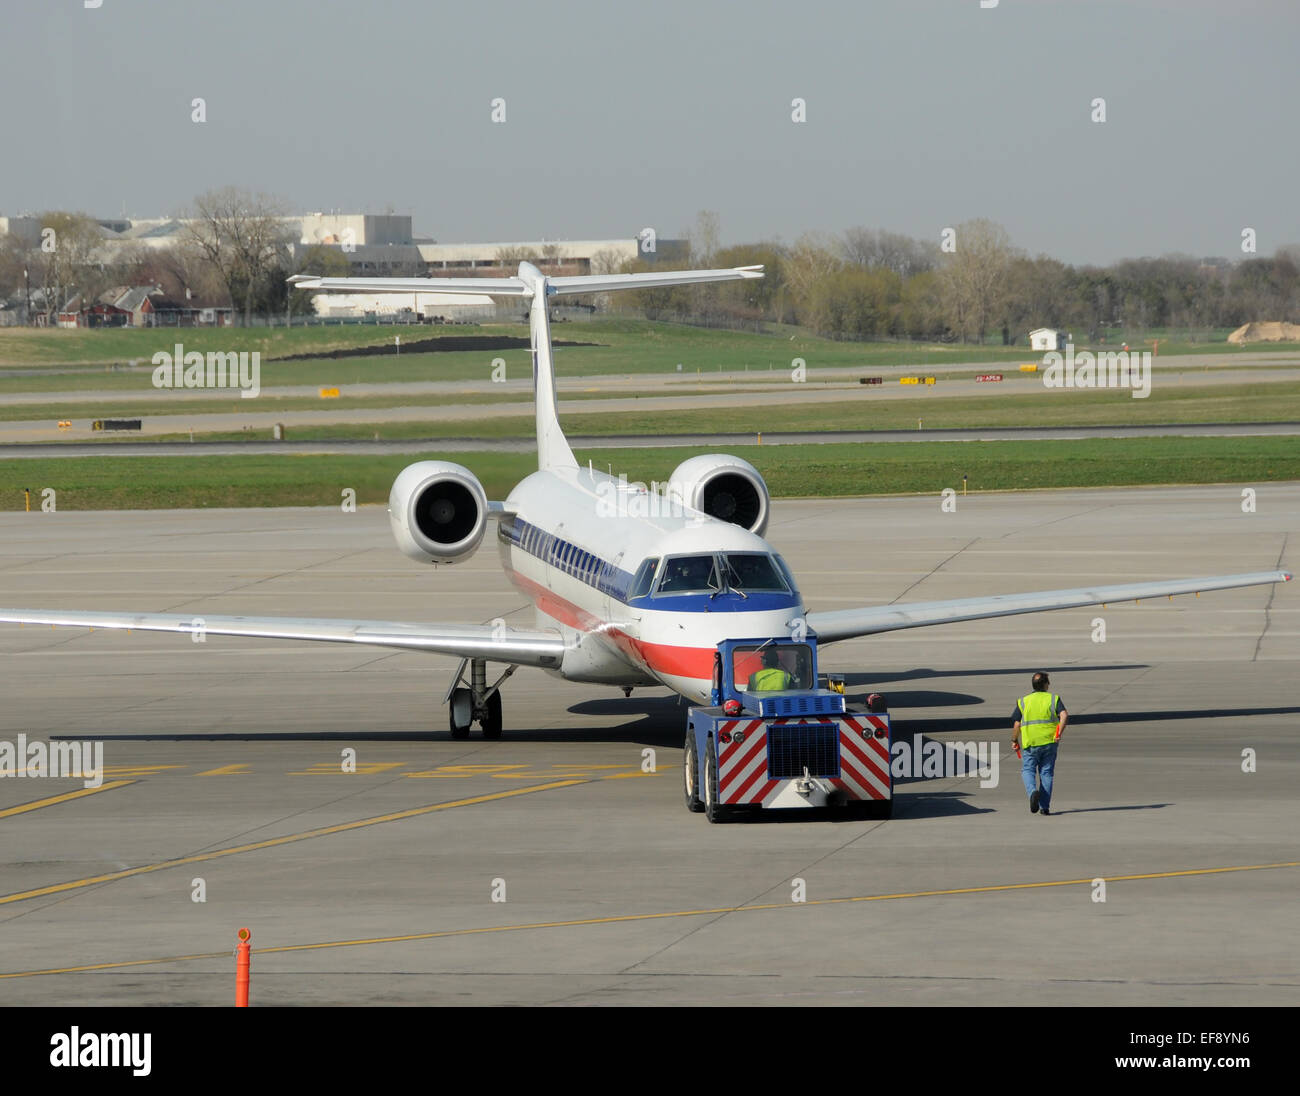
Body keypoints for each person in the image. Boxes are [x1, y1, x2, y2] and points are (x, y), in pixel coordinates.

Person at [1011, 671, 1068, 815]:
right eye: (1048, 682)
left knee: (1028, 770)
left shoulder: (1023, 701)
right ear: (1044, 684)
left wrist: (1014, 740)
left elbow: (1017, 724)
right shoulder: (1053, 699)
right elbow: (1064, 715)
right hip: (1049, 742)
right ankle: (1045, 807)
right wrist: (1058, 733)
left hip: (1031, 743)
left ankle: (1032, 793)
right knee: (1046, 773)